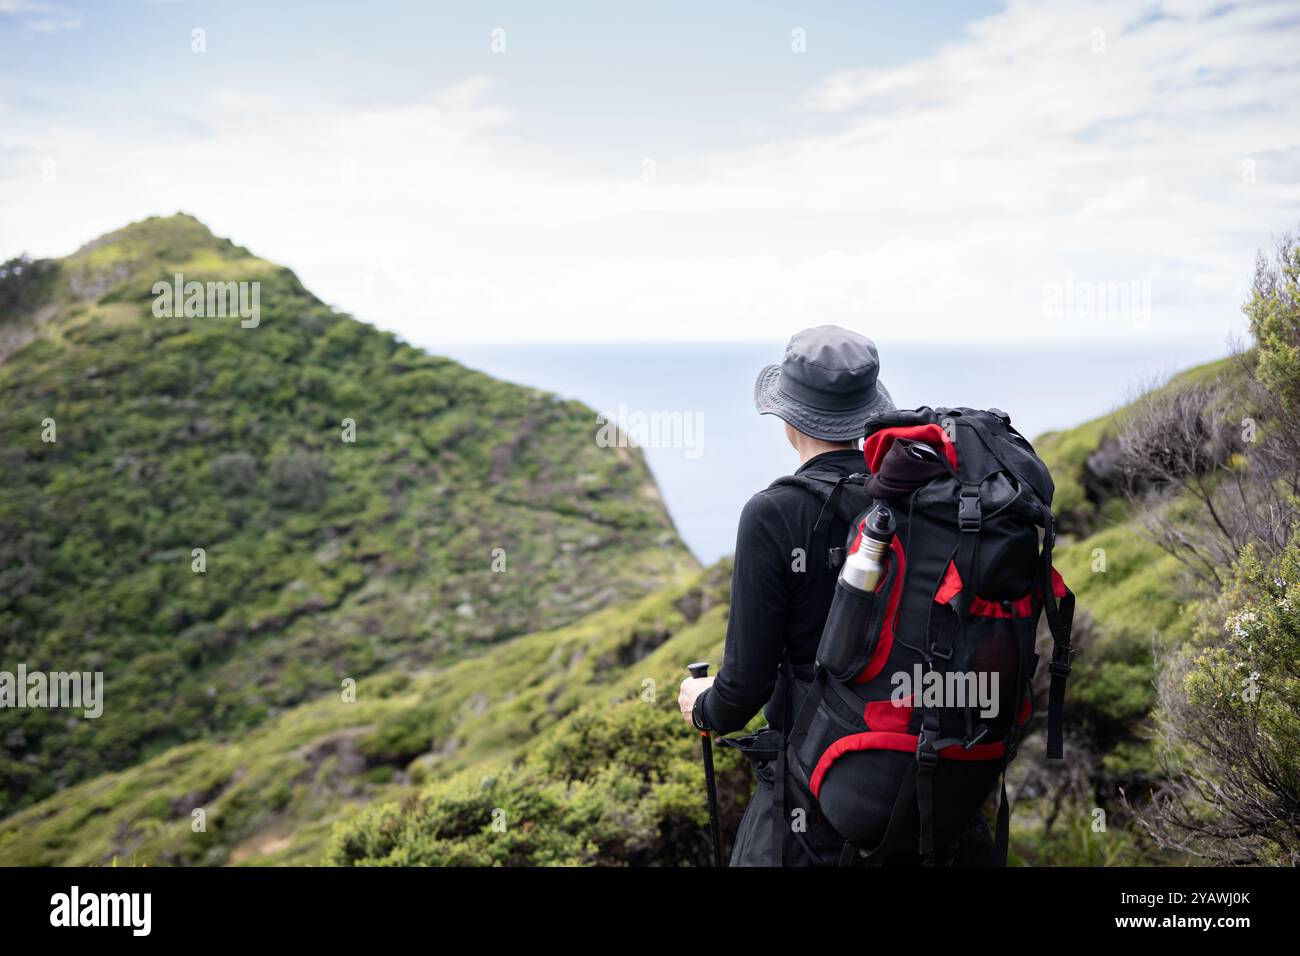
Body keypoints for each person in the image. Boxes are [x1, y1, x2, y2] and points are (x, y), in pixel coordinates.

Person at [677, 325, 895, 866]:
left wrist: (702, 705)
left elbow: (743, 688)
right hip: (924, 775)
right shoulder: (911, 503)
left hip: (817, 787)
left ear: (789, 418)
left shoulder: (773, 514)